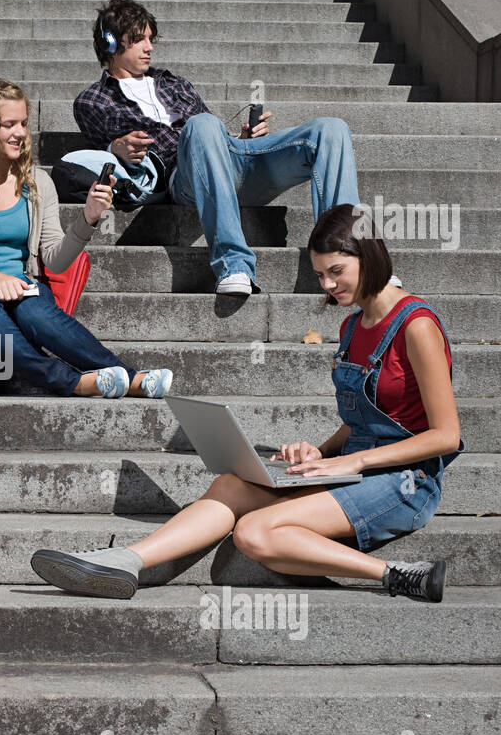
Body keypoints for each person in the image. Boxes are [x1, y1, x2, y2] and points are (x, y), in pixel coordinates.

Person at [31, 204, 463, 602]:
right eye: (319, 275)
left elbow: (446, 436)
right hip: (353, 468)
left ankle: (397, 573)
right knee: (230, 485)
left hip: (405, 482)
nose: (328, 285)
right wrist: (322, 451)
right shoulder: (354, 327)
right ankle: (126, 561)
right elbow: (363, 418)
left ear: (368, 257)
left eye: (336, 271)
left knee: (254, 532)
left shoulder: (416, 325)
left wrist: (354, 463)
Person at [69, 0, 362, 296]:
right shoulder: (94, 100)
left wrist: (244, 141)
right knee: (202, 125)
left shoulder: (175, 83)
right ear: (111, 45)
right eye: (138, 40)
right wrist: (113, 148)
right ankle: (234, 265)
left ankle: (351, 260)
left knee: (331, 129)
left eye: (150, 38)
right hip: (182, 179)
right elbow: (102, 142)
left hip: (228, 161)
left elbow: (211, 138)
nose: (149, 47)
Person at [0, 78, 173, 399]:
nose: (20, 133)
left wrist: (88, 218)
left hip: (23, 291)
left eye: (24, 124)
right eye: (9, 124)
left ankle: (128, 377)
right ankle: (74, 382)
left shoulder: (37, 183)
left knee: (35, 311)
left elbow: (55, 259)